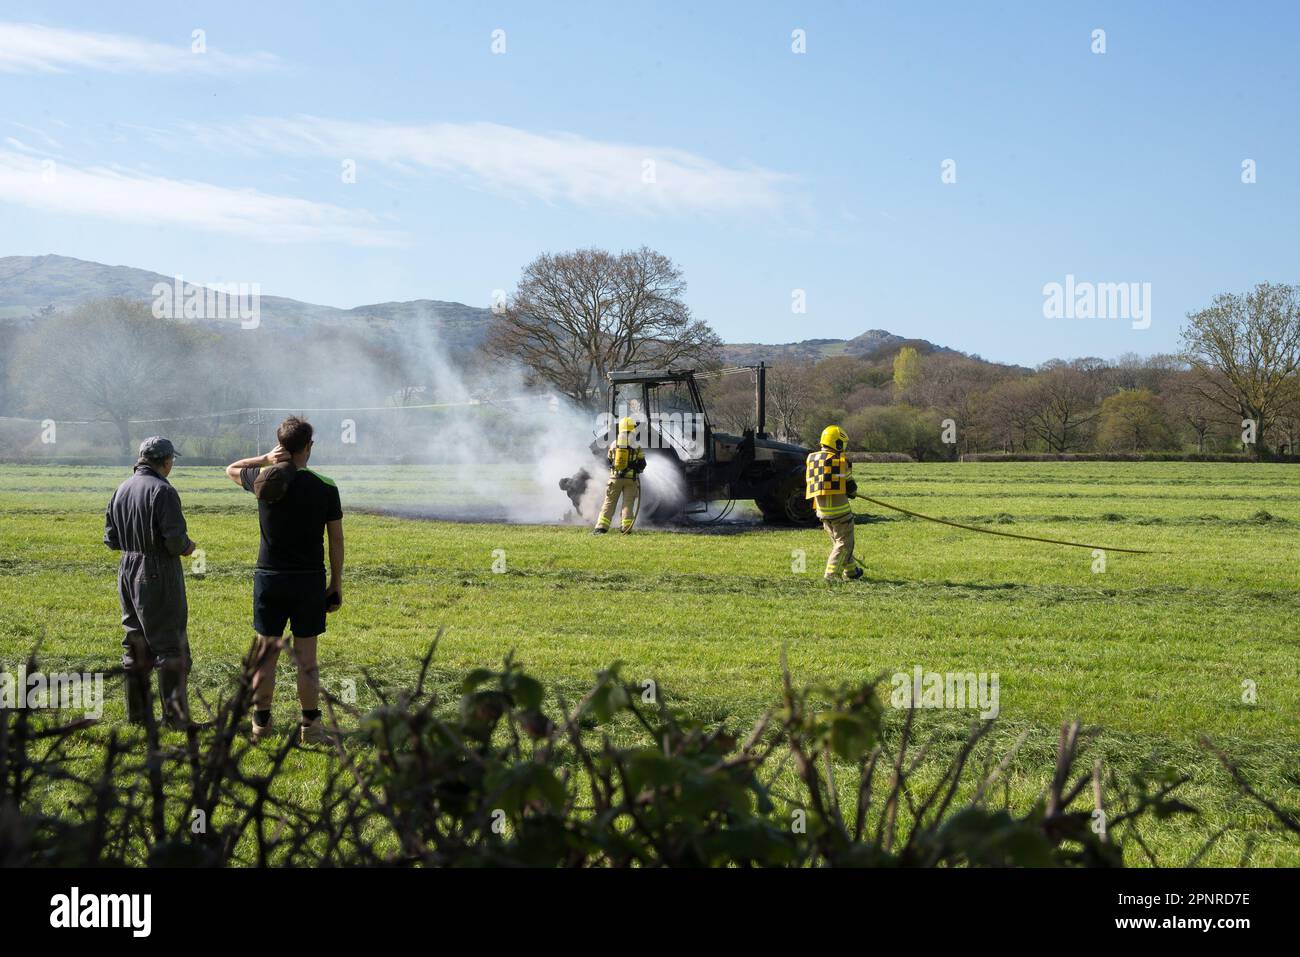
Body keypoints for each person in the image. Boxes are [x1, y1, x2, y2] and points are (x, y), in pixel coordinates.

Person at [225, 417, 344, 746]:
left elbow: (231, 468)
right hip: (308, 579)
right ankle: (311, 726)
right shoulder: (326, 486)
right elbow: (336, 541)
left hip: (270, 577)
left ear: (281, 445)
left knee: (266, 652)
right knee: (307, 656)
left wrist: (265, 459)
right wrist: (336, 582)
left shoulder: (264, 479)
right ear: (309, 446)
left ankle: (261, 723)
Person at [104, 436, 196, 727]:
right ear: (166, 461)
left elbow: (111, 539)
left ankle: (139, 716)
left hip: (127, 570)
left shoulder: (121, 488)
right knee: (170, 645)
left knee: (135, 643)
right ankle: (176, 719)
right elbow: (174, 540)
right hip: (157, 571)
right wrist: (188, 547)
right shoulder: (163, 491)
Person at [806, 425, 862, 581]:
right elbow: (851, 488)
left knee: (840, 544)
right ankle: (831, 576)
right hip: (840, 512)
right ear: (837, 443)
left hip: (822, 512)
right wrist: (852, 491)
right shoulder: (840, 461)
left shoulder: (812, 459)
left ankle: (851, 572)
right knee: (844, 544)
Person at [593, 416, 646, 534]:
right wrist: (636, 468)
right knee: (628, 504)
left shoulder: (614, 444)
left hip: (615, 479)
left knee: (609, 502)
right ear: (633, 429)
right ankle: (626, 528)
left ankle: (600, 528)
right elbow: (643, 464)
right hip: (630, 480)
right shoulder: (636, 445)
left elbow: (609, 461)